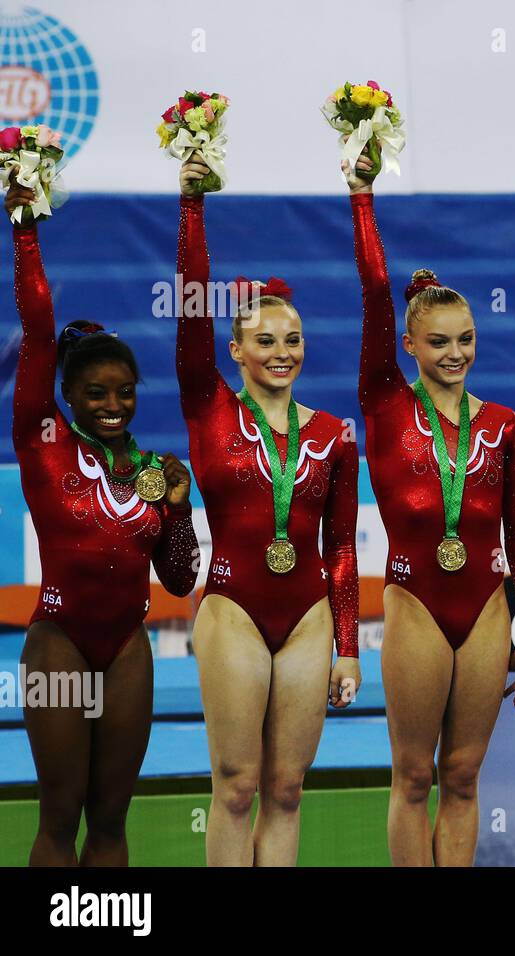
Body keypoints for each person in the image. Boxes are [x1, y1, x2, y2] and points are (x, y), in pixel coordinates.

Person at [346, 154, 515, 866]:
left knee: (463, 778)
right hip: (416, 604)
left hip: (486, 605)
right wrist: (361, 196)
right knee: (413, 778)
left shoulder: (504, 424)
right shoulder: (383, 404)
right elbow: (376, 292)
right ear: (408, 346)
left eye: (466, 339)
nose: (455, 352)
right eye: (438, 342)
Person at [175, 156, 361, 866]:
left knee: (286, 789)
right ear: (236, 351)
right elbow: (191, 305)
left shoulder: (334, 435)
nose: (282, 352)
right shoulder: (210, 407)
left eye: (292, 341)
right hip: (234, 609)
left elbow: (341, 547)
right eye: (265, 342)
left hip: (309, 612)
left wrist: (348, 644)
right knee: (237, 786)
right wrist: (193, 206)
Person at [7, 180, 198, 866]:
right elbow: (35, 329)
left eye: (124, 392)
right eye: (96, 393)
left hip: (125, 649)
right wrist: (25, 230)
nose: (113, 404)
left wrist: (178, 508)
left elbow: (180, 578)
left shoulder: (152, 468)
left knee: (111, 820)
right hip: (57, 640)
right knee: (60, 814)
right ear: (67, 395)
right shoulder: (42, 441)